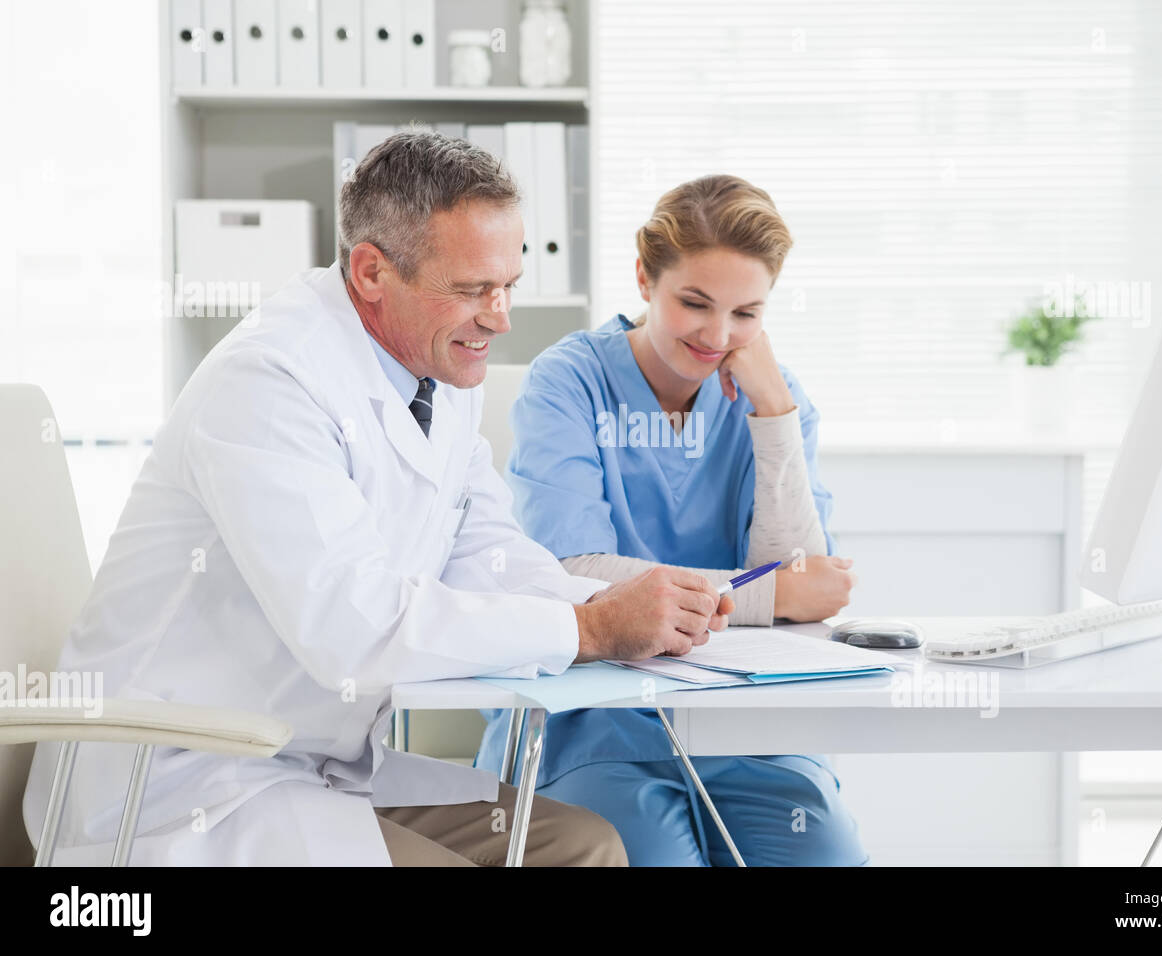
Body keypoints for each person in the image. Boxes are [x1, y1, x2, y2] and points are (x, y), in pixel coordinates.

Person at [22, 131, 735, 866]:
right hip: (177, 777)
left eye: (508, 284)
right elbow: (351, 630)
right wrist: (588, 631)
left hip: (311, 762)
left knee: (583, 848)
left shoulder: (436, 363)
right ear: (370, 272)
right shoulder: (269, 382)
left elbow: (486, 554)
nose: (500, 316)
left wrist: (615, 608)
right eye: (471, 289)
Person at [477, 174, 867, 866]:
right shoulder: (568, 382)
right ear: (644, 279)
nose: (718, 335)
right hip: (596, 720)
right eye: (695, 303)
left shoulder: (775, 399)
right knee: (653, 856)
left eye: (746, 313)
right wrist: (769, 595)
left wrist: (772, 413)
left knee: (822, 853)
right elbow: (572, 571)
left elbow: (810, 580)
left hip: (750, 723)